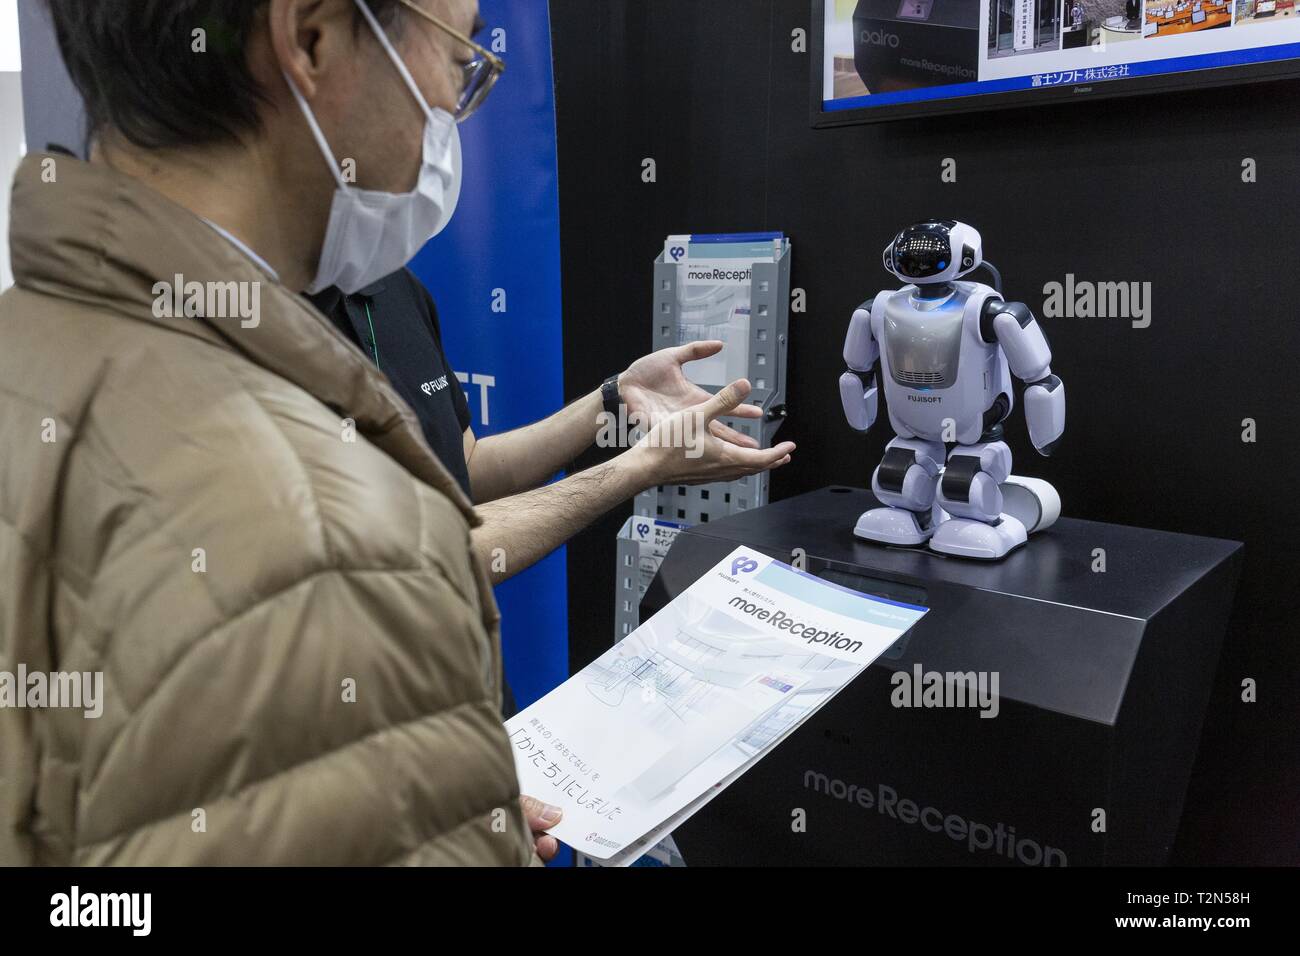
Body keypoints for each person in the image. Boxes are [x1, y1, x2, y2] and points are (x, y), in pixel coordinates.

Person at [0, 0, 792, 865]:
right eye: (458, 57)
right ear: (313, 37)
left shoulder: (39, 346)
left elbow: (457, 468)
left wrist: (445, 809)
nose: (456, 105)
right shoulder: (305, 519)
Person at [309, 275, 788, 718]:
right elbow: (406, 560)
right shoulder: (250, 337)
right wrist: (640, 466)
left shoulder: (392, 286)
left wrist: (614, 398)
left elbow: (463, 467)